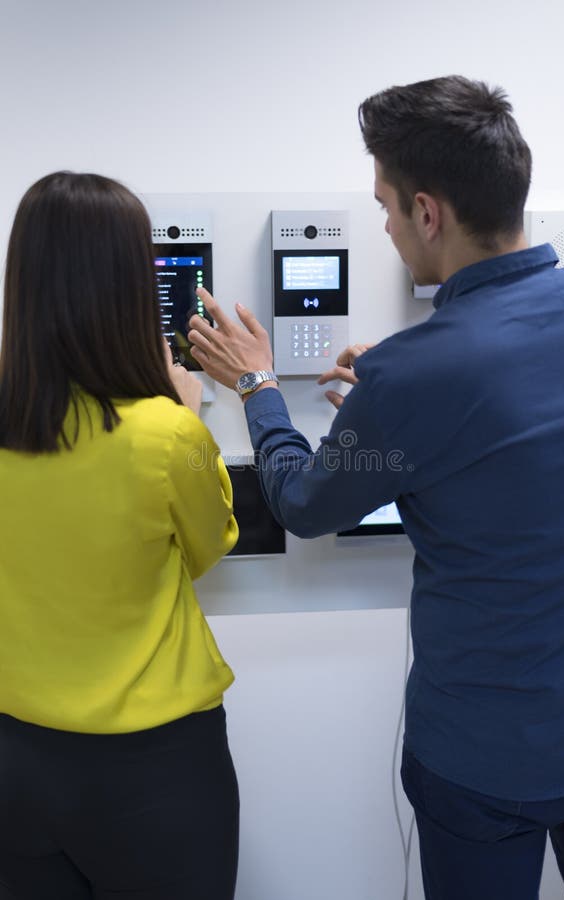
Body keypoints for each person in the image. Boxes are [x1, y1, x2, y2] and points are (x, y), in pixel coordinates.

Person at [186, 76, 564, 899]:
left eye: (382, 206)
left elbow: (303, 506)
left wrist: (259, 388)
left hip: (479, 760)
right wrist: (395, 408)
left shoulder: (414, 374)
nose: (380, 226)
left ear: (426, 212)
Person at [0, 172, 240, 900]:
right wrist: (191, 414)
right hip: (154, 770)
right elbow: (210, 544)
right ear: (126, 285)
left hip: (15, 757)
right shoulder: (166, 433)